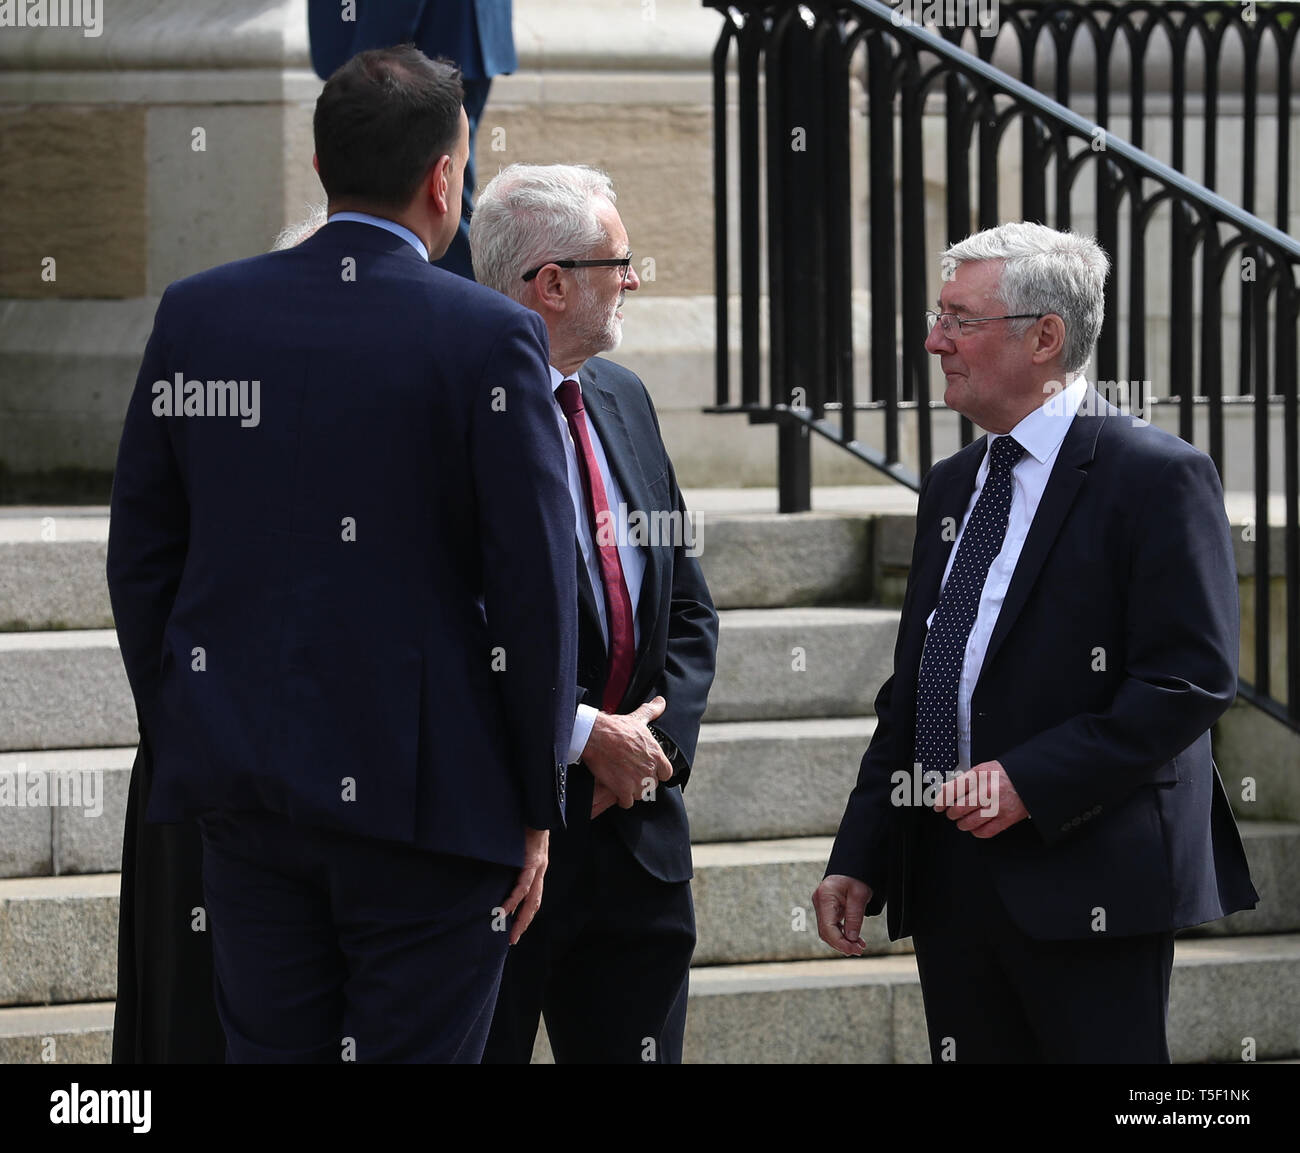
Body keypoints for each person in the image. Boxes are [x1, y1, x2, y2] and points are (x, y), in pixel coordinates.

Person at [106, 46, 577, 1064]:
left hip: (247, 791)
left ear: (320, 170)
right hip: (438, 812)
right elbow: (535, 588)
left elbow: (142, 554)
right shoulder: (493, 336)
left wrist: (195, 724)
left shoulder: (200, 313)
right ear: (445, 177)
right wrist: (537, 808)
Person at [812, 221, 1258, 1063]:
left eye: (959, 318)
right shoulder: (952, 483)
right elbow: (917, 688)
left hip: (1087, 873)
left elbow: (1191, 680)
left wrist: (1029, 779)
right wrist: (861, 852)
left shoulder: (1154, 475)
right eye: (939, 315)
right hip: (950, 878)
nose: (933, 338)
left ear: (1045, 337)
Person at [469, 164, 719, 1064]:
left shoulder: (623, 396)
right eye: (620, 260)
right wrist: (581, 734)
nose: (636, 278)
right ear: (552, 283)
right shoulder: (460, 405)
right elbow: (458, 619)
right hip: (503, 848)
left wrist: (652, 751)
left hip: (637, 839)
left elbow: (686, 609)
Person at [307, 0, 516, 280]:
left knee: (432, 197)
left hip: (422, 39)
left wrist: (371, 59)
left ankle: (477, 307)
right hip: (434, 36)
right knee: (432, 196)